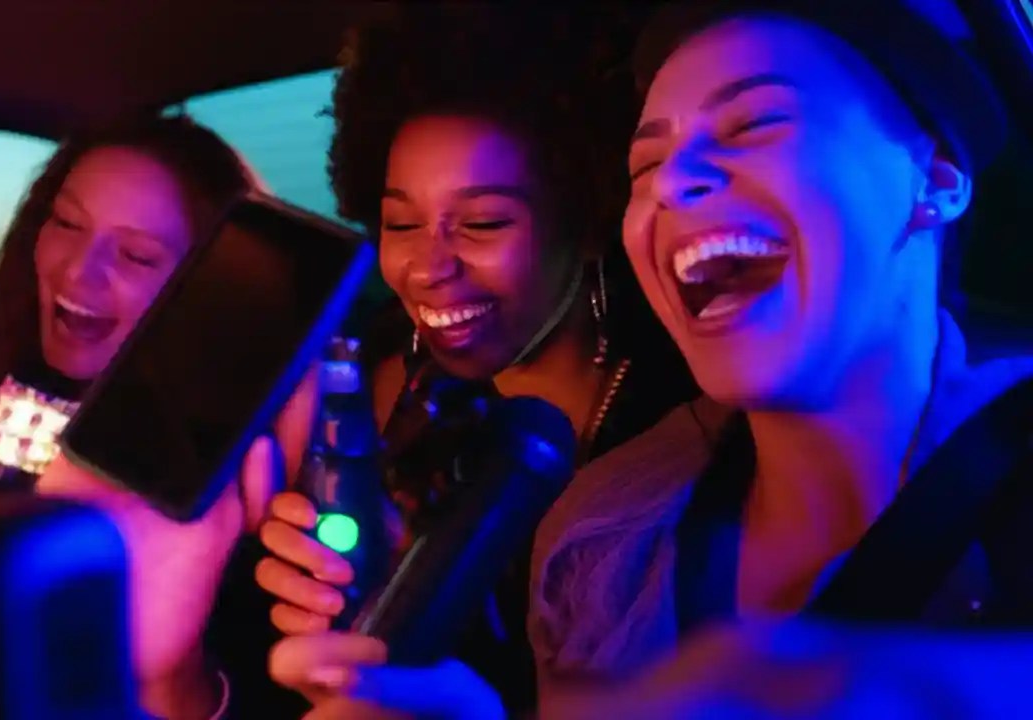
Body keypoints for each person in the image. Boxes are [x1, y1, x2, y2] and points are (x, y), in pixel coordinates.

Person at [262, 0, 1033, 717]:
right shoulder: (596, 537)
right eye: (643, 167)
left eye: (754, 124)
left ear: (935, 177)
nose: (668, 182)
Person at [252, 4, 696, 717]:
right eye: (401, 223)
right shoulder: (378, 395)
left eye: (484, 223)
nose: (428, 267)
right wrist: (343, 598)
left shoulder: (682, 427)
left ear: (585, 223)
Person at [0, 114, 281, 720]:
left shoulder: (233, 501)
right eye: (66, 222)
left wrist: (168, 681)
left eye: (136, 255)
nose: (77, 272)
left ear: (212, 290)